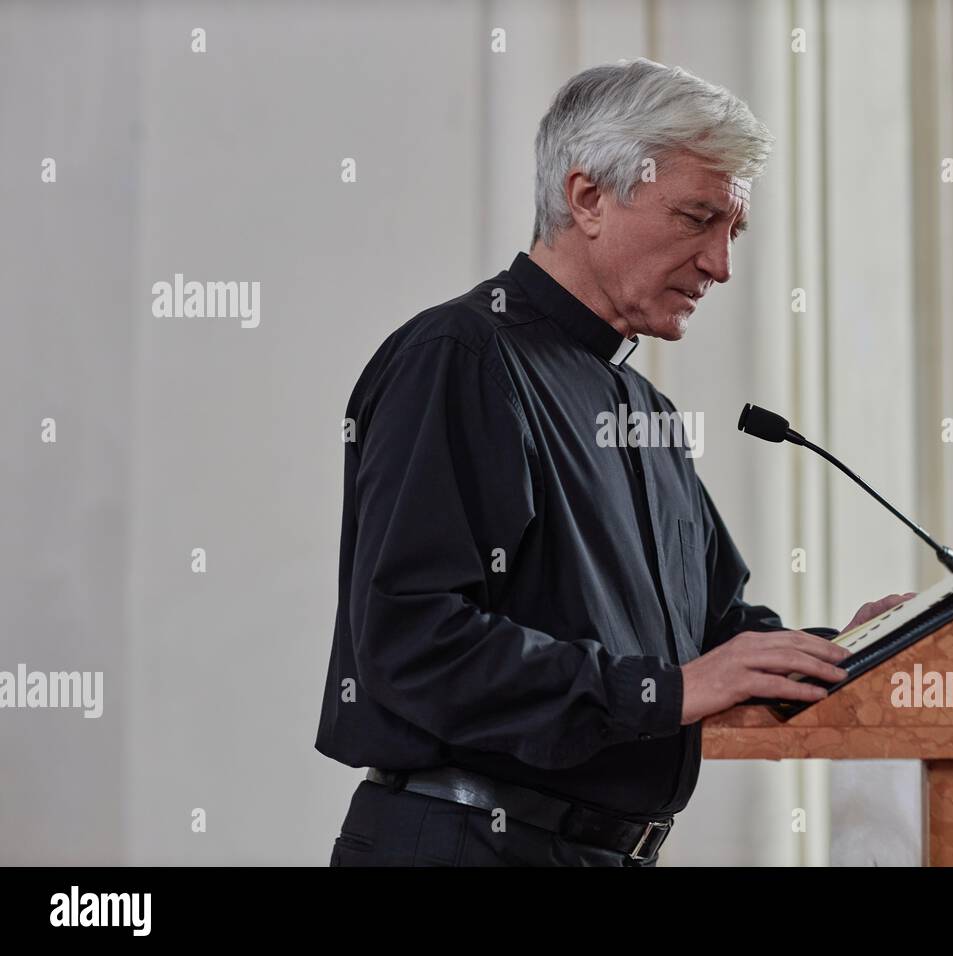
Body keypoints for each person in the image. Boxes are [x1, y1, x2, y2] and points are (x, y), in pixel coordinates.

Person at [315, 58, 910, 867]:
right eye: (697, 218)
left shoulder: (649, 414)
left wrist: (852, 652)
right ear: (587, 197)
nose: (721, 265)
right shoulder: (461, 357)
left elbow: (714, 637)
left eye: (733, 232)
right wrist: (661, 693)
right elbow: (412, 640)